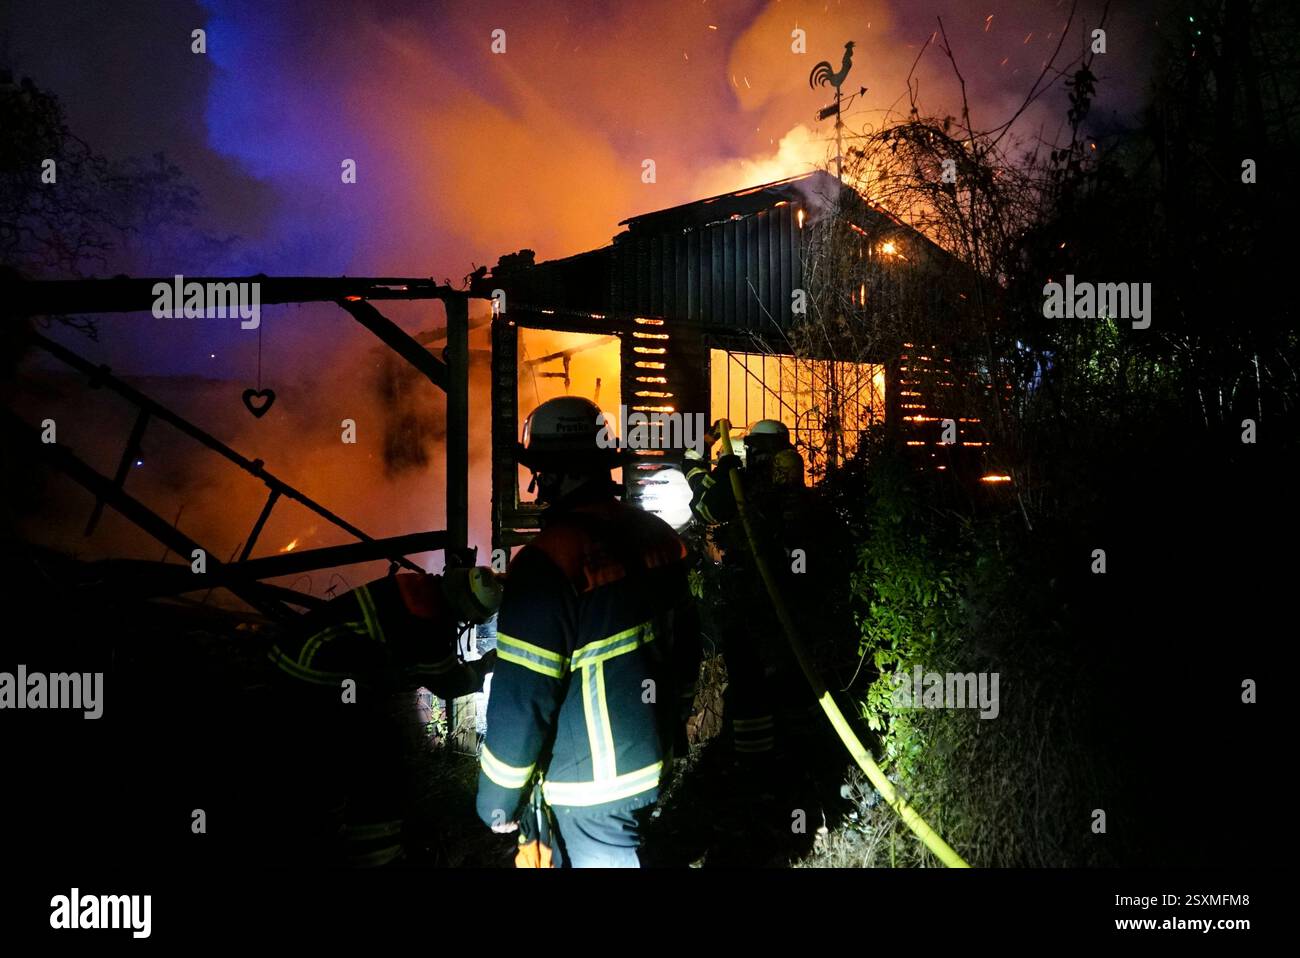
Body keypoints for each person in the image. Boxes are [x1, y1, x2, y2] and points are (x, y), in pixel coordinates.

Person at [476, 396, 700, 867]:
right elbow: (687, 649)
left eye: (540, 472)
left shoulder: (547, 561)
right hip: (651, 758)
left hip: (590, 784)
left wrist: (497, 797)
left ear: (554, 473)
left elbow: (523, 696)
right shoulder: (659, 536)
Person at [268, 567, 501, 866]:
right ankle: (378, 856)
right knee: (378, 759)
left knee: (336, 763)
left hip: (292, 661)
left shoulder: (413, 586)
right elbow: (450, 683)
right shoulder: (426, 624)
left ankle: (328, 828)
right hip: (312, 679)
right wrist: (483, 667)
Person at [684, 419, 812, 778]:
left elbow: (705, 504)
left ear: (756, 450)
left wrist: (705, 452)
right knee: (788, 677)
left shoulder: (742, 485)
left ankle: (755, 768)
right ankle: (797, 759)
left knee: (749, 681)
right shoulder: (798, 495)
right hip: (788, 604)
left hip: (750, 602)